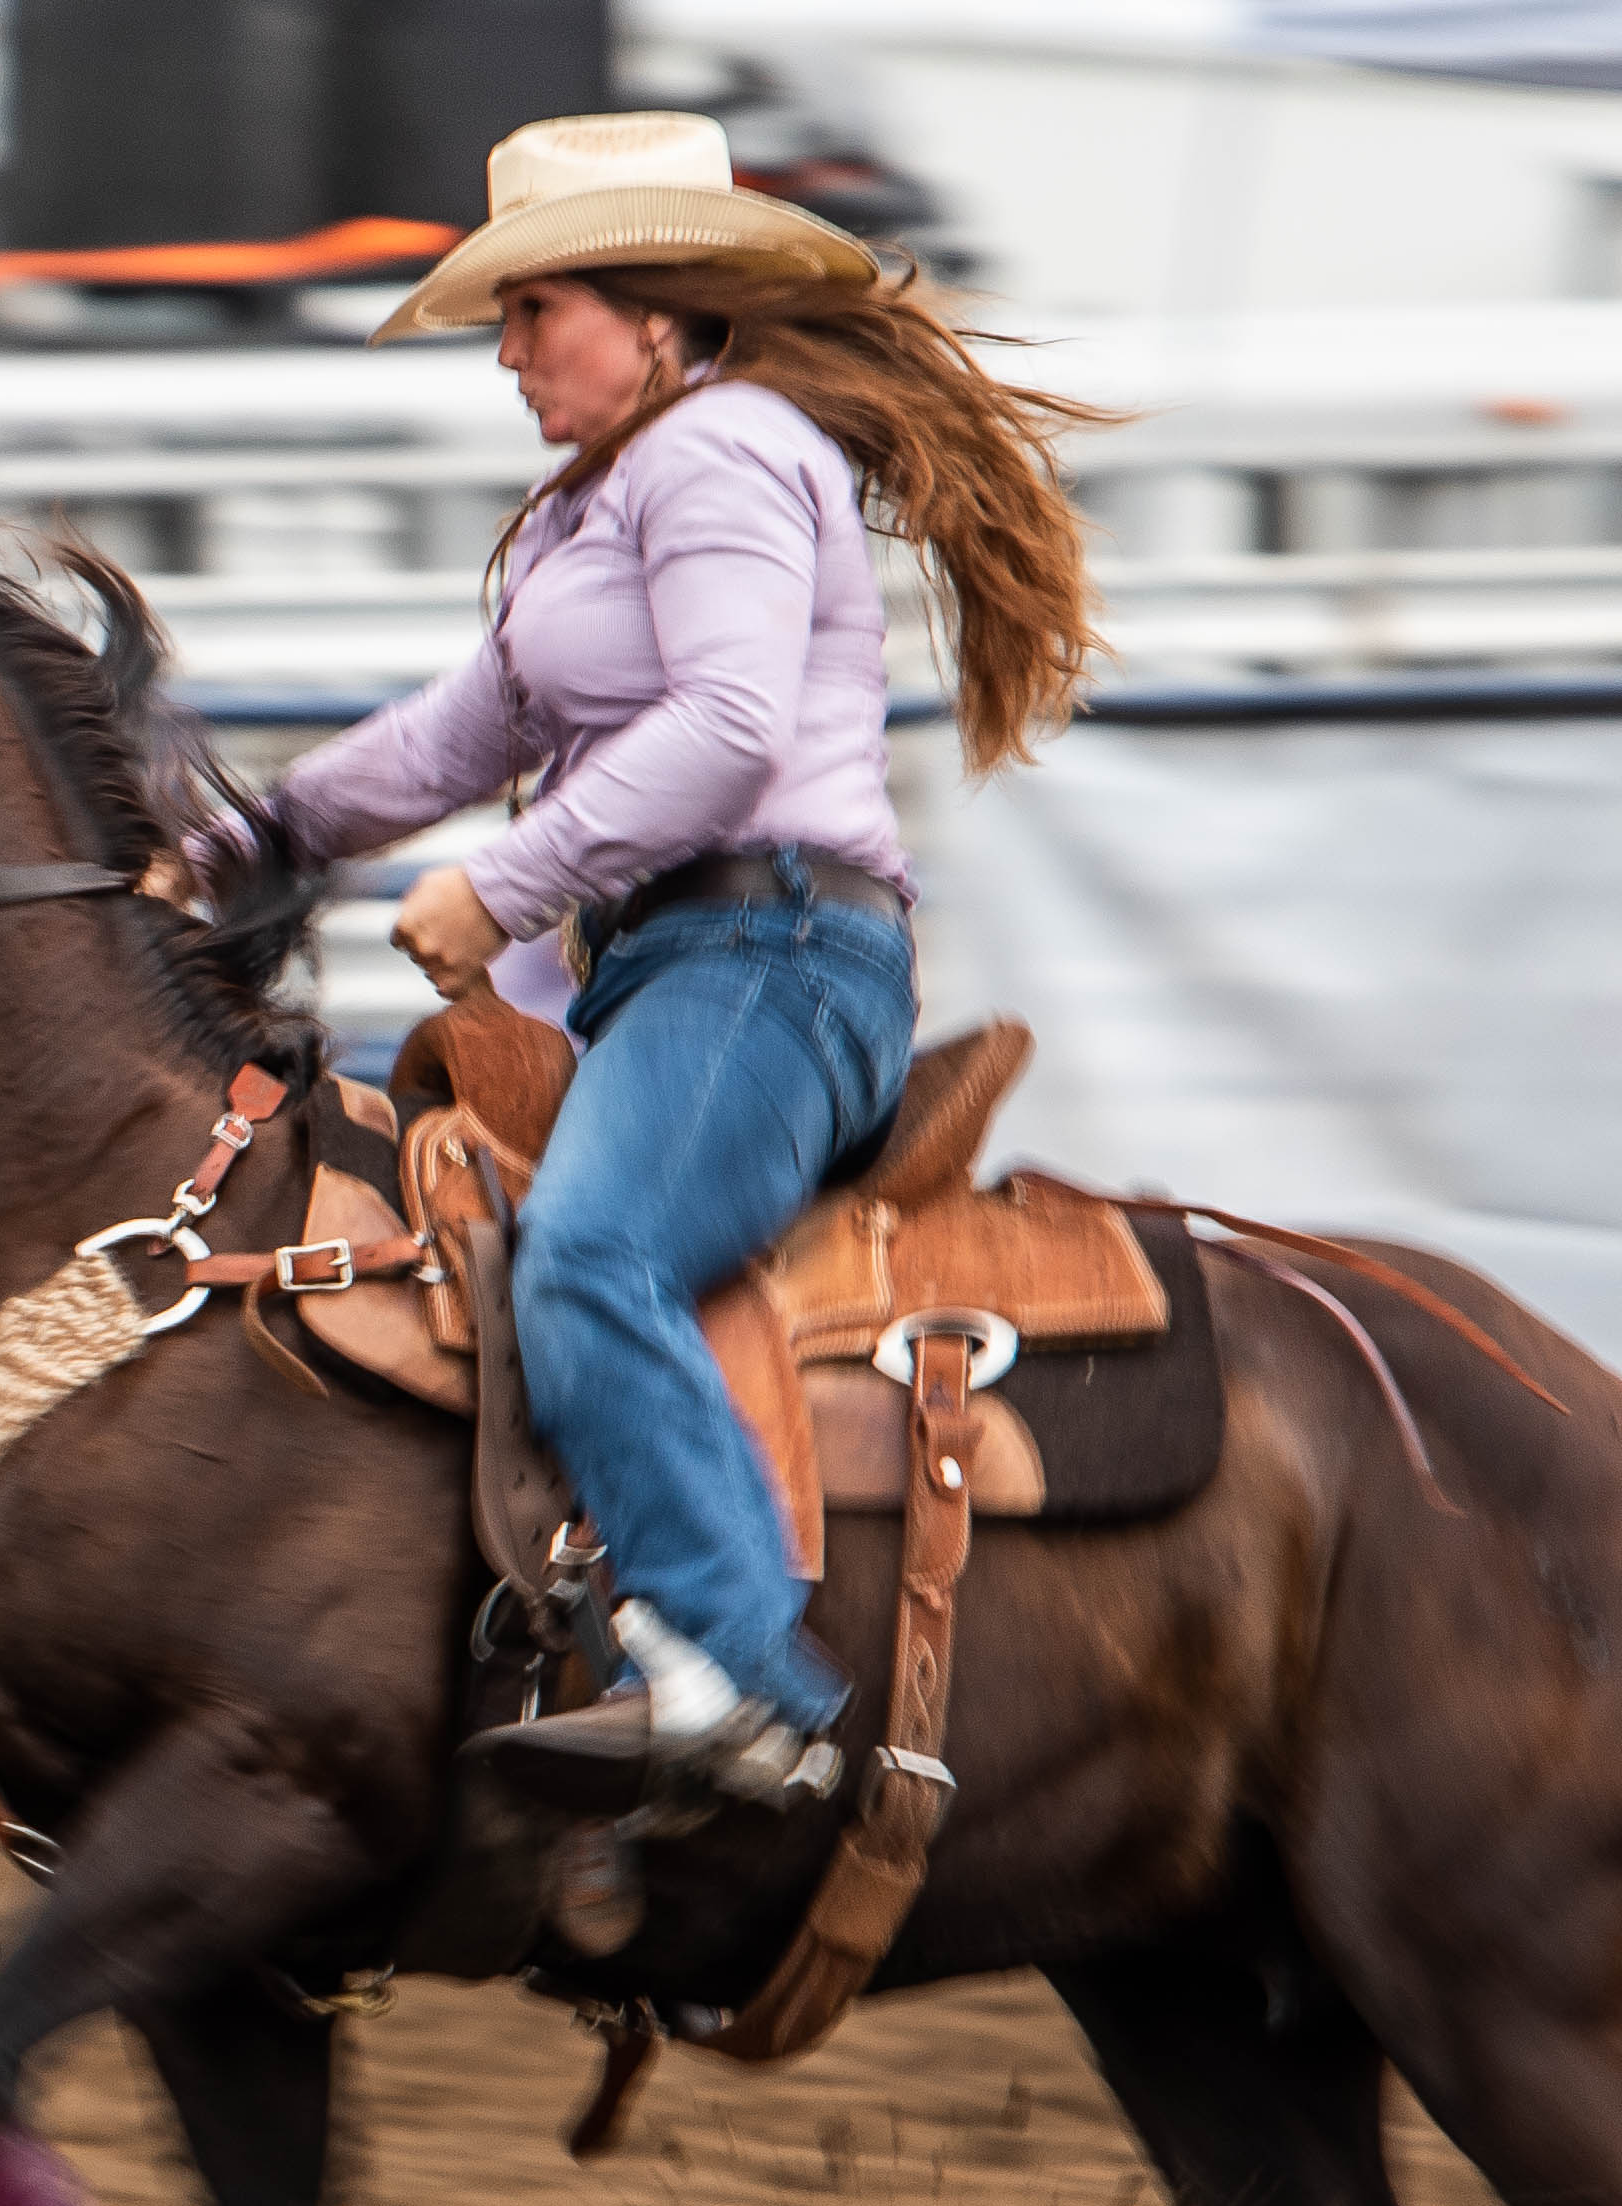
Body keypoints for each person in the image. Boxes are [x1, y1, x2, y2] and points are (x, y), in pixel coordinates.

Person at [238, 109, 1108, 1822]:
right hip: (689, 965)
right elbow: (441, 737)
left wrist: (507, 883)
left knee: (590, 1257)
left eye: (531, 309)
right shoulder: (602, 506)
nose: (505, 353)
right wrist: (228, 849)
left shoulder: (719, 454)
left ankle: (743, 1672)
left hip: (767, 953)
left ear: (653, 311)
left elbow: (723, 728)